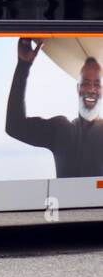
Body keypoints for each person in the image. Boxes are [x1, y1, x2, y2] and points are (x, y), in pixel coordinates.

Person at [5, 37, 103, 178]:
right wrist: (23, 66)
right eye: (86, 83)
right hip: (64, 201)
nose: (92, 89)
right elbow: (14, 126)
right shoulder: (61, 129)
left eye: (97, 84)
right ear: (77, 88)